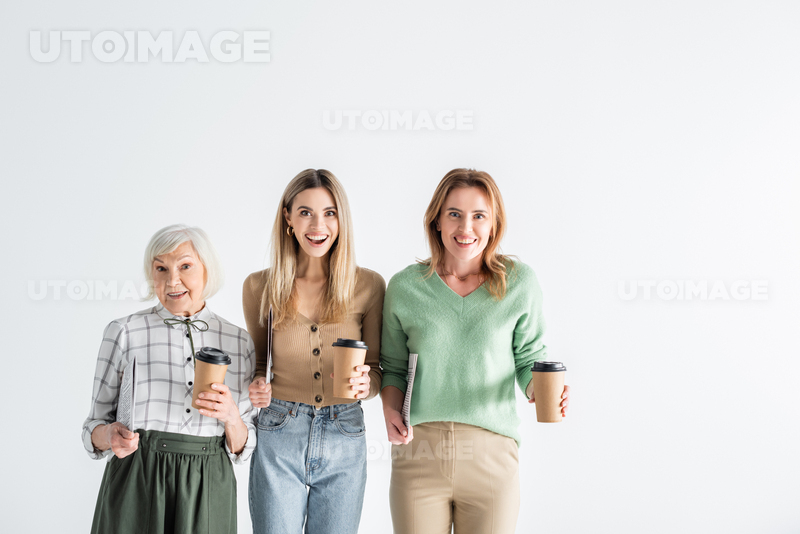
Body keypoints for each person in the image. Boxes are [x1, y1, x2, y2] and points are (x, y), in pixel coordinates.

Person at [380, 169, 571, 534]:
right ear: (436, 220)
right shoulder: (405, 287)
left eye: (478, 215)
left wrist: (539, 390)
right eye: (454, 213)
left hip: (492, 457)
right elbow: (392, 366)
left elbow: (529, 357)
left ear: (493, 223)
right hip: (420, 454)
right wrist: (390, 408)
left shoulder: (519, 282)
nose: (466, 227)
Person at [82, 224, 257, 534]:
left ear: (207, 269)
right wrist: (109, 435)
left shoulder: (239, 341)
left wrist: (231, 417)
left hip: (208, 479)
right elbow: (91, 429)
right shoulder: (124, 332)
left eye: (185, 266)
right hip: (139, 475)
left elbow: (244, 448)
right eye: (160, 268)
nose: (172, 280)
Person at [244, 169, 385, 534]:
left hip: (345, 431)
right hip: (280, 430)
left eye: (329, 212)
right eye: (305, 212)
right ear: (288, 217)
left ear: (341, 220)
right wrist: (259, 383)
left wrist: (364, 386)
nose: (317, 224)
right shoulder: (260, 286)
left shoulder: (368, 285)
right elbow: (260, 364)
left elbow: (376, 370)